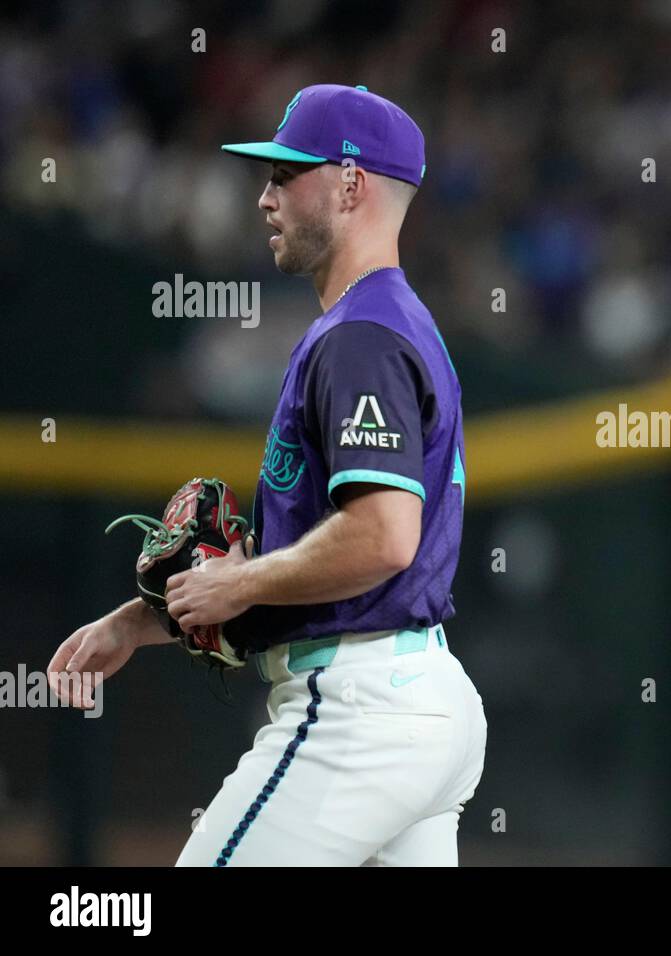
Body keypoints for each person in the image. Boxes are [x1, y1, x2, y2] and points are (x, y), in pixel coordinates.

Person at [48, 84, 485, 866]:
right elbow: (321, 555)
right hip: (419, 695)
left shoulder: (361, 337)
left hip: (359, 714)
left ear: (350, 185)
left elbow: (384, 537)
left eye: (287, 175)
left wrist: (239, 586)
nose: (265, 197)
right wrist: (145, 619)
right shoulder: (391, 322)